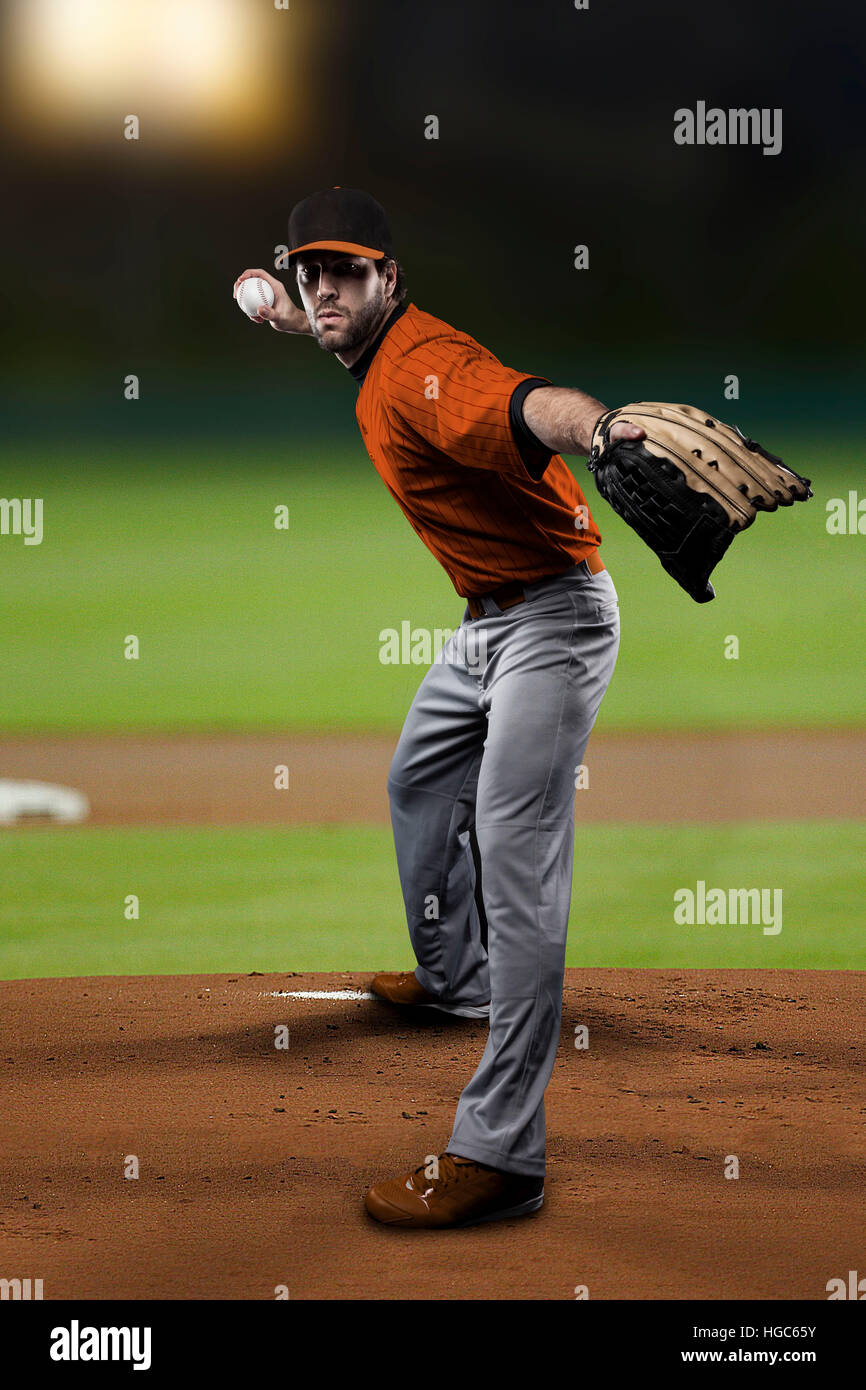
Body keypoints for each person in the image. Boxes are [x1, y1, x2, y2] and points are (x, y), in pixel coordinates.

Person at [234, 186, 645, 1229]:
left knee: (514, 846)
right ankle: (455, 975)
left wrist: (599, 428)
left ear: (392, 279)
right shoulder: (360, 343)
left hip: (551, 621)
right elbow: (315, 316)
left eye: (347, 273)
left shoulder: (422, 368)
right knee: (417, 783)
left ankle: (500, 1154)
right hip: (481, 630)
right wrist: (280, 310)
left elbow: (513, 402)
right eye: (308, 271)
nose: (325, 287)